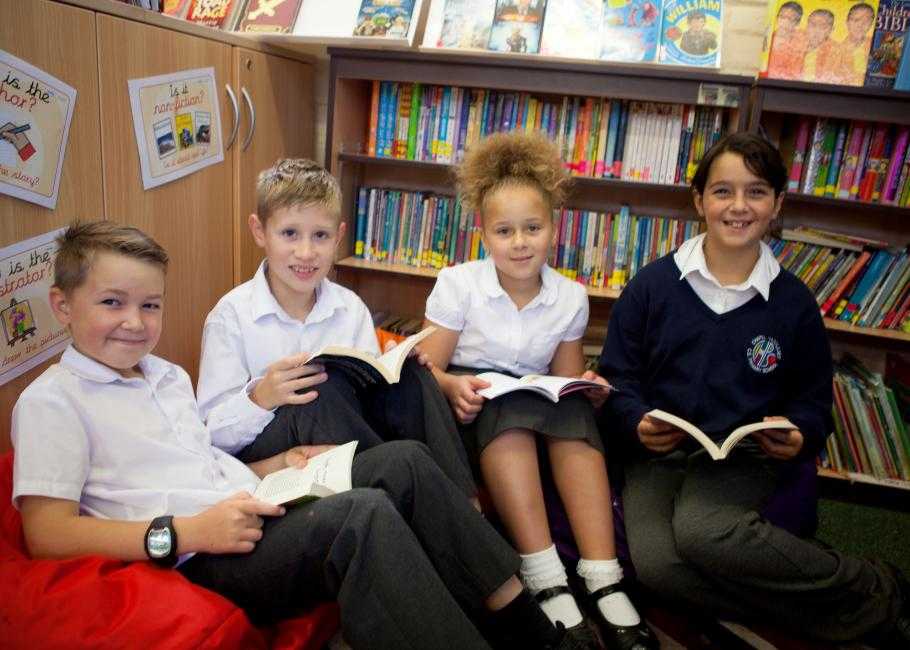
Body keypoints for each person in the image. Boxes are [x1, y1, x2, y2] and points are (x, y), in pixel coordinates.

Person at [11, 221, 586, 650]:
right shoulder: (52, 400)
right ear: (62, 305)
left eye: (150, 305)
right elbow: (47, 534)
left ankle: (533, 633)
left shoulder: (165, 376)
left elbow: (197, 462)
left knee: (403, 460)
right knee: (361, 515)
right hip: (203, 554)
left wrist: (282, 462)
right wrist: (189, 531)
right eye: (112, 303)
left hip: (250, 502)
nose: (134, 322)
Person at [598, 132, 910, 647]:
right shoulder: (652, 286)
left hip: (740, 456)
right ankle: (868, 601)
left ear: (778, 204)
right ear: (699, 202)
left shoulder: (794, 304)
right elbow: (618, 378)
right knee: (656, 568)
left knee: (703, 533)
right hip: (657, 455)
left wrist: (799, 433)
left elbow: (812, 404)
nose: (738, 206)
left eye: (756, 192)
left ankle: (862, 580)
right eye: (722, 191)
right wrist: (635, 420)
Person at [420, 132, 656, 650]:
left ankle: (602, 576)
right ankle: (545, 576)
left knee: (573, 416)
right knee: (512, 420)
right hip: (473, 405)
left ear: (554, 227)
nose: (520, 242)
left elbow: (564, 375)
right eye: (505, 231)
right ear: (483, 235)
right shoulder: (458, 285)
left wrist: (587, 387)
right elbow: (423, 369)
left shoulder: (570, 296)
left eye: (533, 227)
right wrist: (451, 384)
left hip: (533, 397)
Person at [196, 158, 476, 501]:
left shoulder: (349, 307)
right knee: (319, 391)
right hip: (273, 455)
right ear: (259, 232)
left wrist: (392, 367)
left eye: (320, 236)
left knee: (412, 374)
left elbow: (369, 397)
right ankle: (409, 485)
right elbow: (211, 436)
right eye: (289, 234)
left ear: (338, 236)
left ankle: (462, 499)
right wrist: (260, 397)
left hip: (342, 439)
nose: (306, 252)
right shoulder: (230, 318)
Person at [765, 1, 807, 79]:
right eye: (782, 17)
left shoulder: (800, 44)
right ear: (777, 18)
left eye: (790, 19)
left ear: (797, 23)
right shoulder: (768, 39)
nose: (784, 22)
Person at [839, 3, 876, 85]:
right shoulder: (837, 50)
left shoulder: (875, 45)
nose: (860, 25)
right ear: (847, 22)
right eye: (856, 20)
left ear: (871, 24)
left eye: (866, 21)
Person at [801, 8, 841, 83]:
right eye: (813, 25)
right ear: (807, 26)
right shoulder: (798, 44)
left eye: (823, 27)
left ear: (831, 30)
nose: (817, 30)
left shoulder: (836, 50)